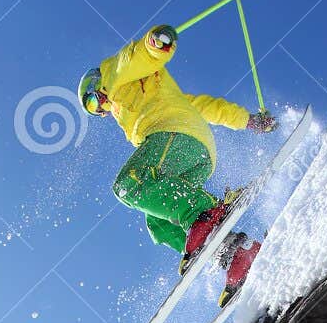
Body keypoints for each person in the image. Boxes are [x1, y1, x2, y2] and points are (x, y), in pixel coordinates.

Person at [78, 24, 277, 307]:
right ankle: (233, 252)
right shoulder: (142, 104)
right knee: (157, 223)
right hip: (195, 152)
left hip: (175, 135)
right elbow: (205, 107)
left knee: (128, 186)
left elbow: (131, 60)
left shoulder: (115, 78)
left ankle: (205, 214)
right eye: (93, 111)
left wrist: (153, 45)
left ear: (95, 86)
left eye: (91, 100)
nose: (100, 108)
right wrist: (247, 120)